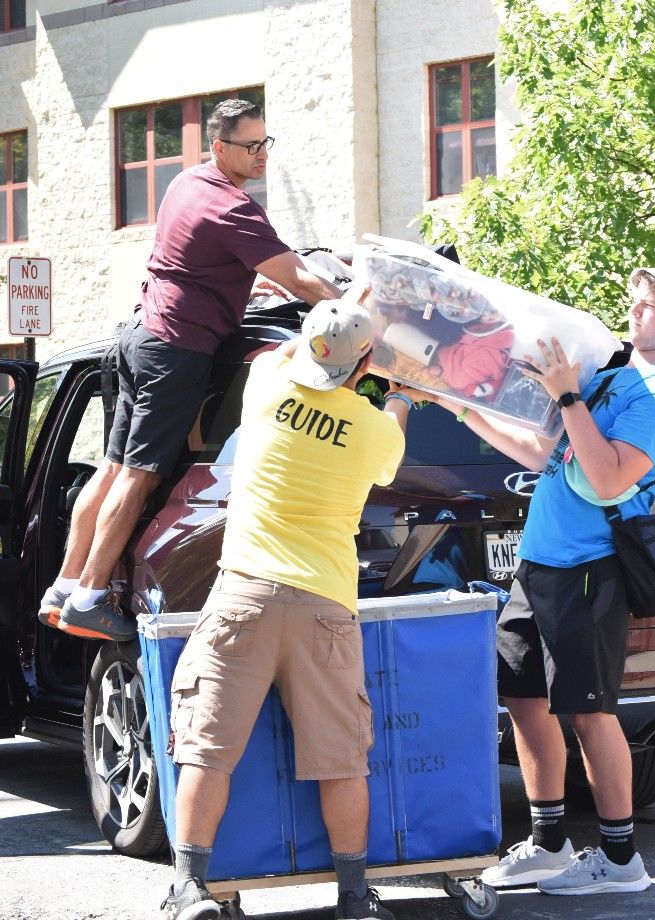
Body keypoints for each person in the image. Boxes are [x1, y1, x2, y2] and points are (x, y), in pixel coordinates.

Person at [423, 261, 655, 896]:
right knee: (524, 701)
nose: (634, 312)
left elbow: (608, 478)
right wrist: (458, 407)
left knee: (589, 711)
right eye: (634, 300)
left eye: (650, 306)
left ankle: (620, 857)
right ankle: (549, 844)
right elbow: (545, 454)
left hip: (590, 568)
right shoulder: (614, 377)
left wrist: (567, 395)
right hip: (542, 563)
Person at [38, 99, 341, 642]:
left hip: (140, 334)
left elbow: (198, 262)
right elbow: (300, 278)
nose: (261, 155)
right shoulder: (234, 208)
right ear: (220, 147)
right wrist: (356, 306)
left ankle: (62, 587)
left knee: (111, 467)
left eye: (266, 143)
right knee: (138, 475)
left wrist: (246, 285)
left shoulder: (185, 183)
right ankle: (88, 597)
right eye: (251, 146)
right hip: (178, 347)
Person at [159, 298, 411, 920]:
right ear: (366, 363)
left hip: (244, 590)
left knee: (207, 747)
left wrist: (344, 310)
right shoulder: (374, 426)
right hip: (325, 601)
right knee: (341, 757)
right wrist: (399, 392)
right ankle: (354, 895)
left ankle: (189, 887)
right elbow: (390, 438)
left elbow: (286, 353)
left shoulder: (265, 387)